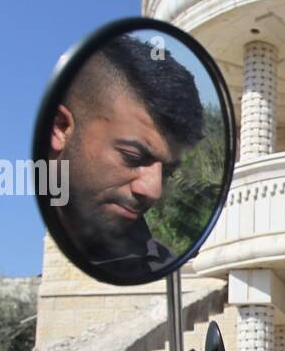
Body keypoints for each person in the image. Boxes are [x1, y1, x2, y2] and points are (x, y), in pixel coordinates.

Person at [48, 34, 205, 281]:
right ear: (60, 127)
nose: (153, 191)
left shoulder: (159, 266)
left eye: (168, 172)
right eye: (132, 157)